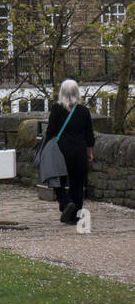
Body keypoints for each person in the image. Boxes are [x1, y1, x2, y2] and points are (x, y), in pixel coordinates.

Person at [45, 79, 95, 224]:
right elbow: (89, 136)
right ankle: (75, 217)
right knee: (78, 184)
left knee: (56, 180)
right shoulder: (84, 111)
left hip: (61, 151)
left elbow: (50, 131)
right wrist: (90, 152)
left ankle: (66, 202)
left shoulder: (56, 109)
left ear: (62, 92)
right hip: (79, 151)